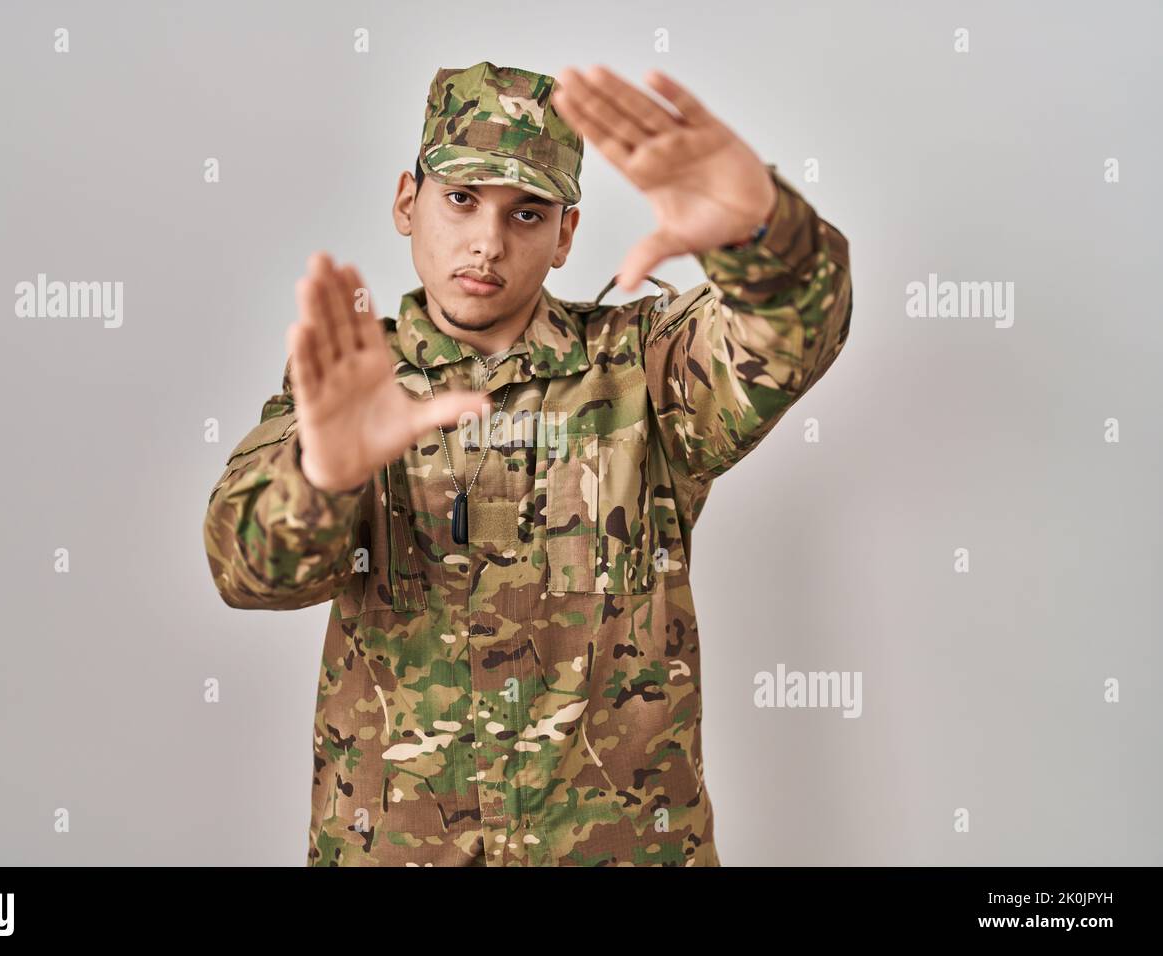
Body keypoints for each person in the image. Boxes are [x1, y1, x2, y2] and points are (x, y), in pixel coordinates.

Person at [203, 60, 853, 866]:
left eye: (528, 212)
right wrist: (322, 478)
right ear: (409, 201)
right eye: (462, 198)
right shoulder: (349, 383)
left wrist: (763, 233)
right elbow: (246, 572)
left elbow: (786, 338)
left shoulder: (642, 367)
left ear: (565, 235)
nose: (487, 240)